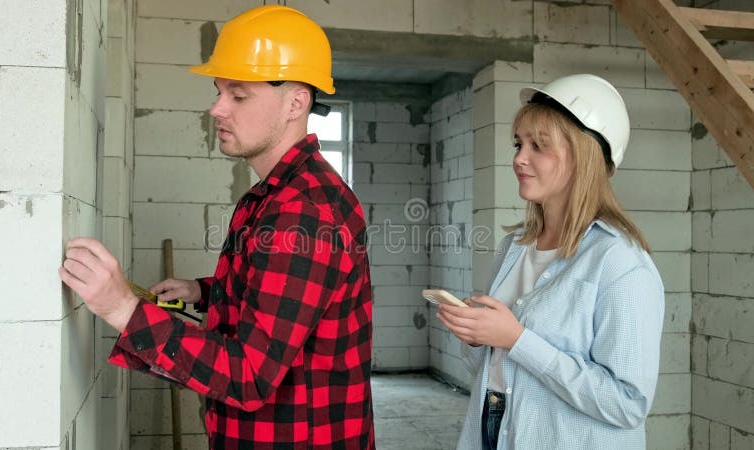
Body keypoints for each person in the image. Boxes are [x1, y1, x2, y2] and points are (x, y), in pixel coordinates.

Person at [59, 5, 374, 449]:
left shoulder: (303, 210)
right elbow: (286, 295)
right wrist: (204, 291)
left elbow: (248, 375)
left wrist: (122, 309)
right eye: (219, 91)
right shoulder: (277, 195)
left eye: (238, 95)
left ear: (296, 102)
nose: (217, 109)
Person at [437, 74, 664, 450]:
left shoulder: (620, 264)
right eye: (518, 143)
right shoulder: (514, 246)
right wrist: (478, 336)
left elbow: (627, 404)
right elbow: (494, 368)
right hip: (495, 424)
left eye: (538, 146)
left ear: (584, 156)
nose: (519, 159)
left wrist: (516, 339)